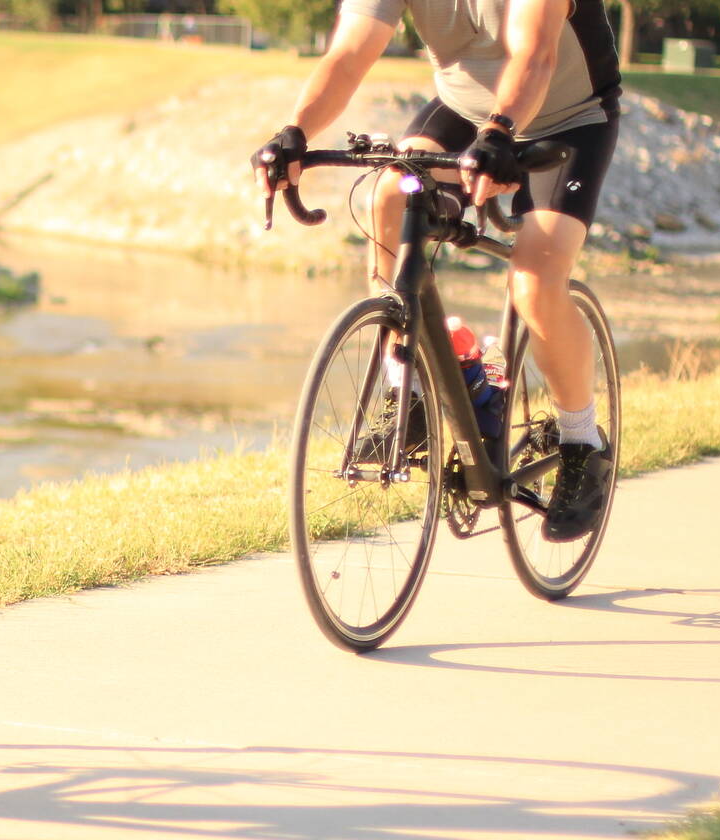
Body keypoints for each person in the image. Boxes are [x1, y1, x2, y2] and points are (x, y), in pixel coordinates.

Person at [251, 0, 621, 541]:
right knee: (390, 196)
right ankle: (409, 392)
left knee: (535, 280)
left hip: (569, 120)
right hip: (464, 112)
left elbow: (534, 55)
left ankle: (581, 442)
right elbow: (350, 52)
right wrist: (294, 133)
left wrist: (500, 134)